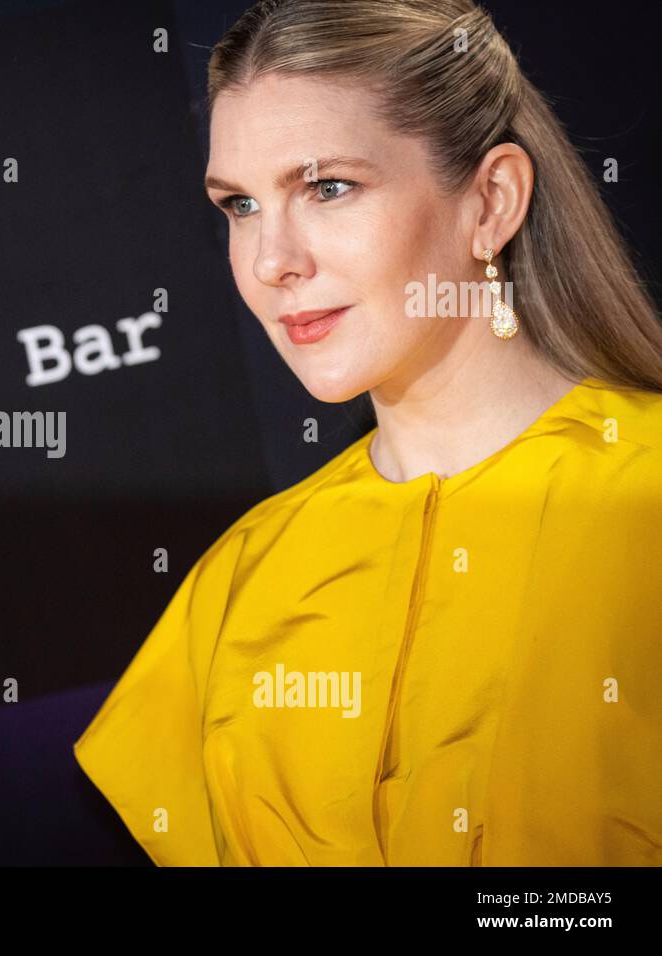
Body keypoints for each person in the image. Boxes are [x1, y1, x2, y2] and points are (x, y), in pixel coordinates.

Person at [74, 0, 662, 866]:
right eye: (239, 205)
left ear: (491, 201)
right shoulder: (236, 583)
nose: (274, 260)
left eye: (328, 188)